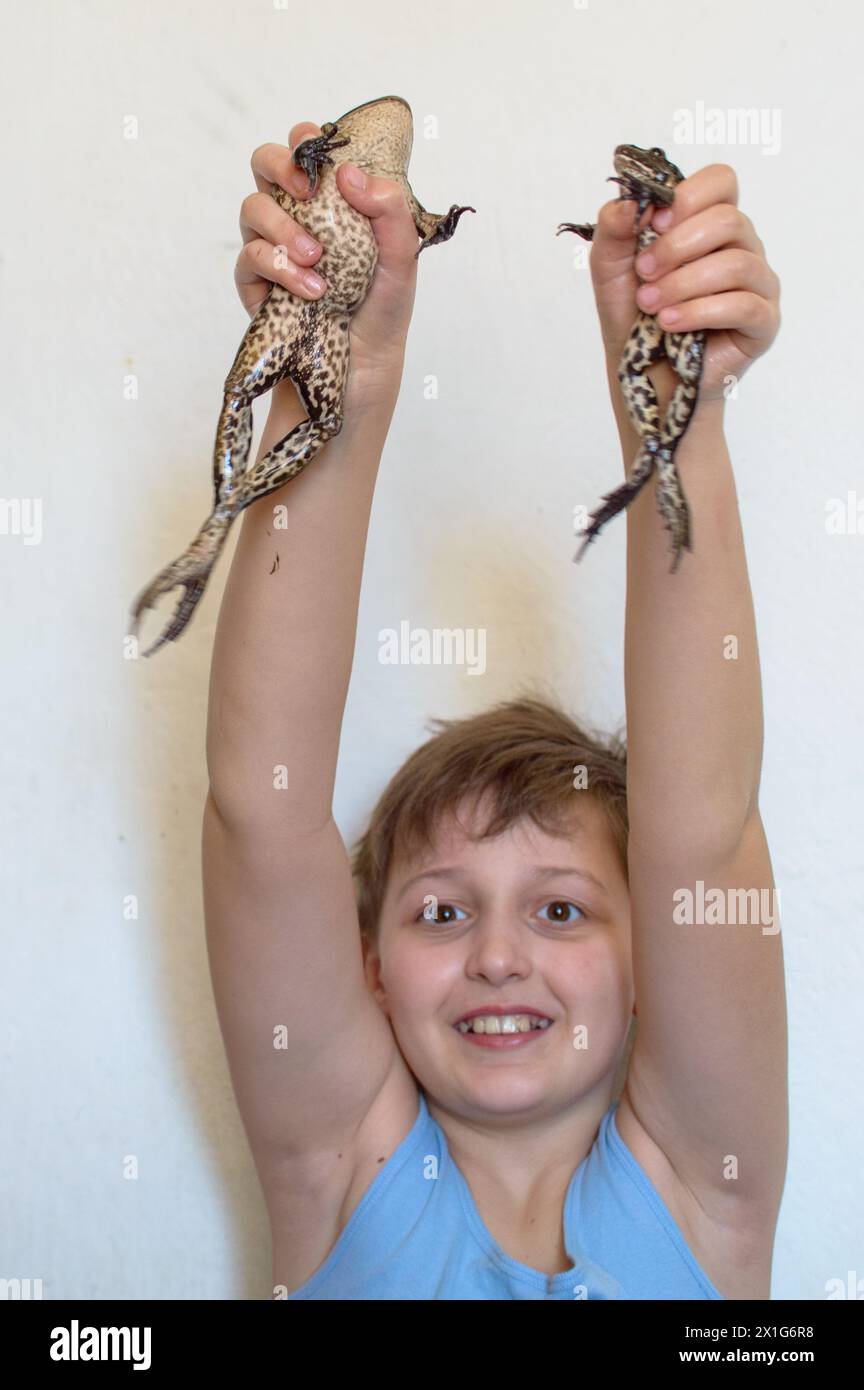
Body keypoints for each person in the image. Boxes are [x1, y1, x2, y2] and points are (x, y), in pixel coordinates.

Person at [202, 120, 786, 1300]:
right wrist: (345, 372)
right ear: (365, 968)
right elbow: (261, 815)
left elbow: (700, 829)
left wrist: (679, 421)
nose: (500, 957)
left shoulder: (701, 1190)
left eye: (565, 909)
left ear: (647, 966)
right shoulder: (345, 1175)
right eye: (437, 912)